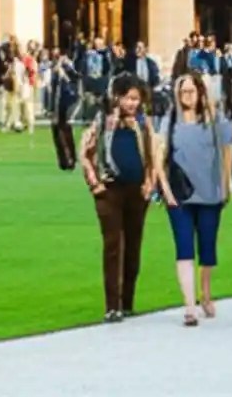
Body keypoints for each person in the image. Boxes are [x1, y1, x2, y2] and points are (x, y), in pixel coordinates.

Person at [156, 74, 232, 327]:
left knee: (207, 249)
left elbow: (227, 146)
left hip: (209, 193)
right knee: (184, 248)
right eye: (183, 92)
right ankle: (189, 306)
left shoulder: (212, 120)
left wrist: (226, 182)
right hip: (180, 195)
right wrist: (166, 192)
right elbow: (159, 157)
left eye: (191, 91)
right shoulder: (170, 122)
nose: (187, 96)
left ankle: (205, 293)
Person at [78, 74, 155, 323]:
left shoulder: (143, 124)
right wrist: (95, 184)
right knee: (113, 246)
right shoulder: (103, 122)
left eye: (136, 99)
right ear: (117, 97)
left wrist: (148, 184)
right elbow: (86, 153)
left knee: (133, 246)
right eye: (128, 98)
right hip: (109, 191)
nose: (132, 103)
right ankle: (112, 305)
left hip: (136, 192)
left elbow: (153, 156)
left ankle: (128, 302)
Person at [49, 50, 81, 171]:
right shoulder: (54, 71)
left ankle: (71, 159)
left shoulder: (69, 69)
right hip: (57, 106)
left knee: (66, 132)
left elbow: (76, 79)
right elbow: (52, 90)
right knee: (57, 132)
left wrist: (65, 73)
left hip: (67, 105)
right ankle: (63, 160)